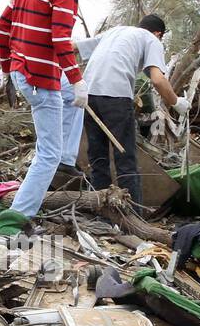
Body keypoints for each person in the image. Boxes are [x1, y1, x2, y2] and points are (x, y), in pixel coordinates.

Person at [0, 0, 94, 222]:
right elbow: (61, 39)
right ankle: (16, 218)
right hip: (40, 78)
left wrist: (7, 71)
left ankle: (66, 157)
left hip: (22, 70)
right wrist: (77, 79)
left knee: (73, 102)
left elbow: (3, 24)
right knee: (47, 153)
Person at [74, 14, 188, 206]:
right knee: (125, 159)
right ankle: (132, 216)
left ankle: (102, 214)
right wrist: (177, 102)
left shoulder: (115, 32)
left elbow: (73, 46)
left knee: (98, 158)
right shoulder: (152, 39)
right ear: (158, 33)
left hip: (88, 95)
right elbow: (157, 79)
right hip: (116, 96)